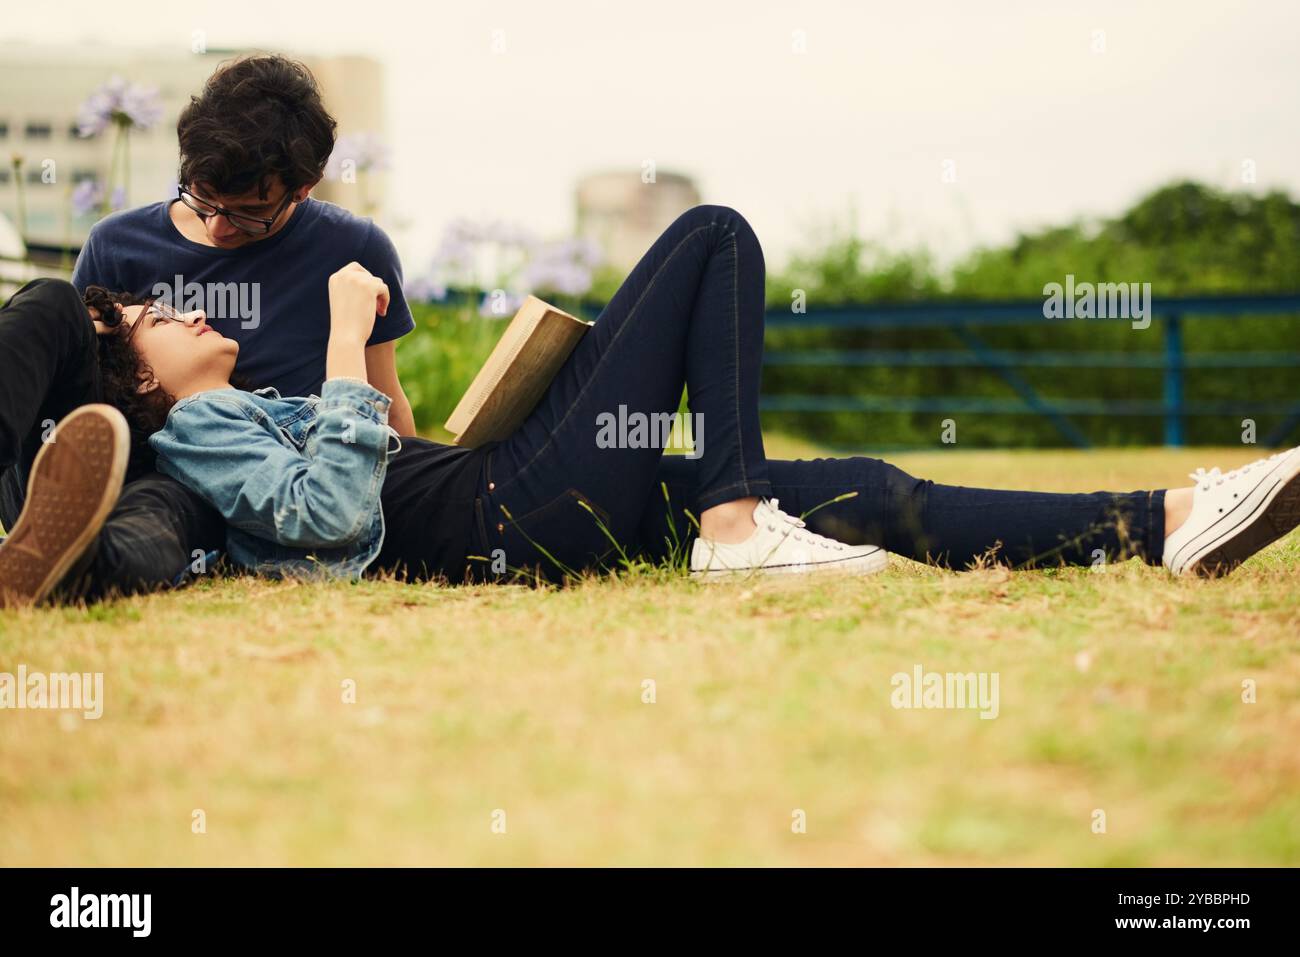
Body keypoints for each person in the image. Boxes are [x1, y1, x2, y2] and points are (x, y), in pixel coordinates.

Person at [63, 206, 1300, 594]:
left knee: (874, 491)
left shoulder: (246, 408)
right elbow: (335, 512)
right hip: (507, 519)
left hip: (516, 491)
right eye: (152, 321)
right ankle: (731, 529)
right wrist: (342, 337)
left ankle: (1166, 518)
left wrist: (416, 408)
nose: (183, 308)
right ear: (134, 381)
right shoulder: (197, 432)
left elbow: (361, 472)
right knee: (711, 235)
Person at [0, 54, 416, 606]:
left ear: (305, 187)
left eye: (248, 211)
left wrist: (412, 491)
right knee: (53, 303)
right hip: (81, 455)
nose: (219, 225)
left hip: (206, 485)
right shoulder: (118, 242)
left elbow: (383, 396)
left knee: (177, 513)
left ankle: (72, 567)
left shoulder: (354, 252)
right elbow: (73, 363)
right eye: (202, 197)